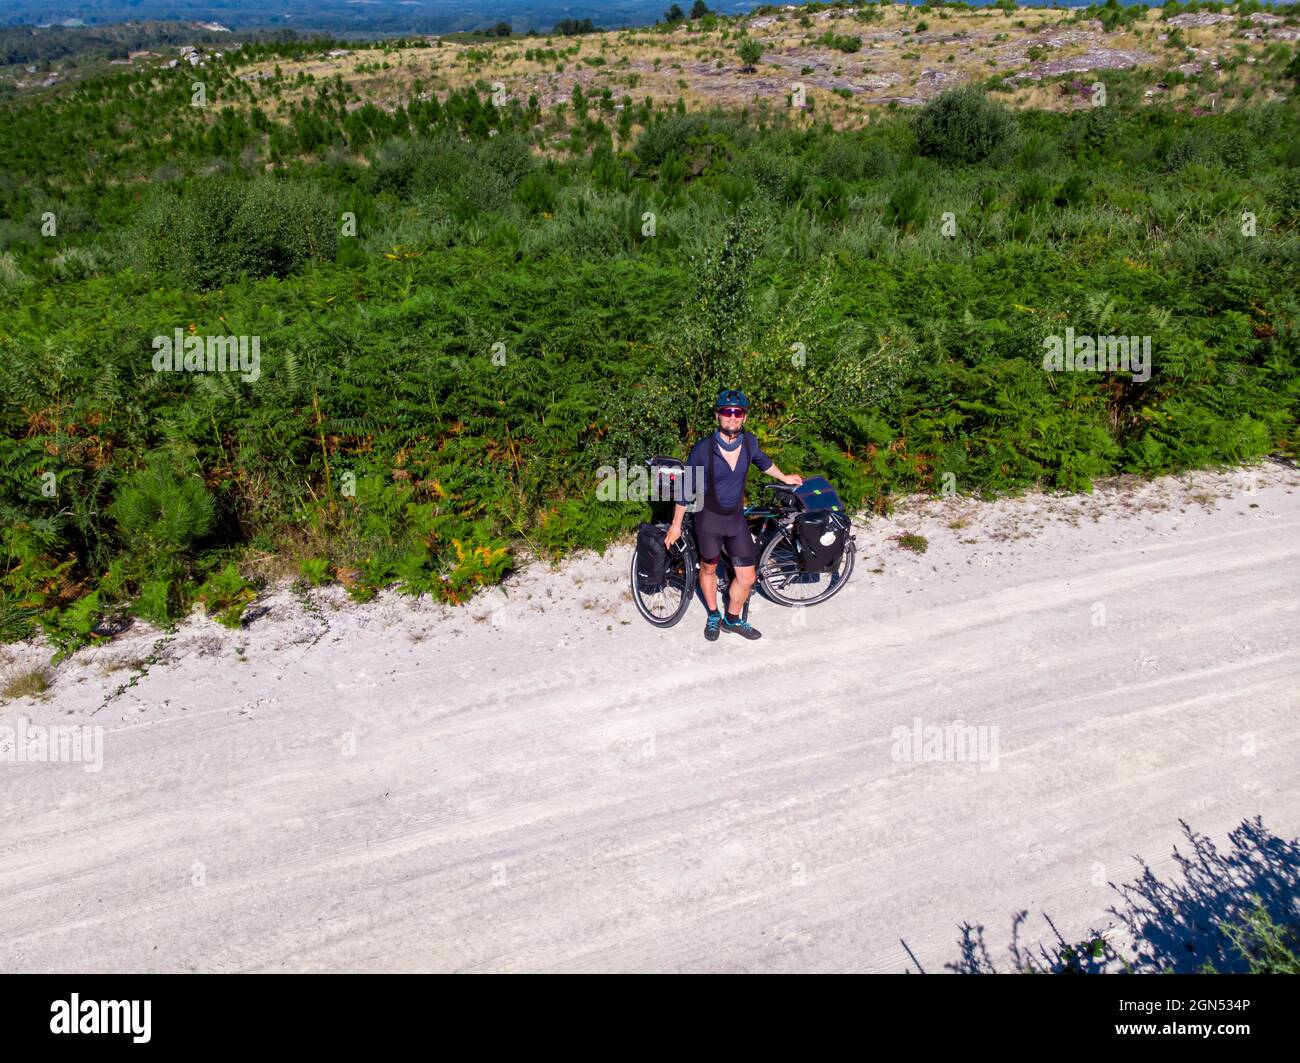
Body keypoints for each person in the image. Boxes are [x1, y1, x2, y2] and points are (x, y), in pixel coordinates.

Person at [664, 389, 802, 641]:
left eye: (737, 412)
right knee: (708, 569)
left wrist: (784, 477)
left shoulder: (750, 443)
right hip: (709, 520)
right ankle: (714, 614)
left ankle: (732, 618)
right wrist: (675, 525)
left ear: (744, 417)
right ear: (718, 415)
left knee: (748, 577)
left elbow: (763, 462)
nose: (732, 417)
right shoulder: (703, 449)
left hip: (735, 519)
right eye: (727, 412)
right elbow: (686, 489)